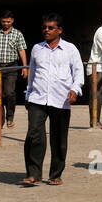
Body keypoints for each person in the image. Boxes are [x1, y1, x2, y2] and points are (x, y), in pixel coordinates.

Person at [22, 14, 84, 186]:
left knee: (58, 139)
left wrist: (75, 89)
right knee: (34, 134)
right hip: (38, 98)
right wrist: (28, 95)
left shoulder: (70, 49)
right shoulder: (37, 49)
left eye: (50, 28)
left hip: (61, 99)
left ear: (59, 30)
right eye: (44, 28)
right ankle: (33, 173)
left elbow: (78, 72)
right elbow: (32, 73)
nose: (46, 31)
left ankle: (55, 174)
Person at [0, 10, 29, 128]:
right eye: (4, 22)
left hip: (12, 67)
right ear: (1, 21)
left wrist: (24, 67)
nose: (6, 24)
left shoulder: (18, 34)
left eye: (8, 22)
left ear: (12, 21)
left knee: (9, 93)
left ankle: (10, 117)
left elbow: (21, 50)